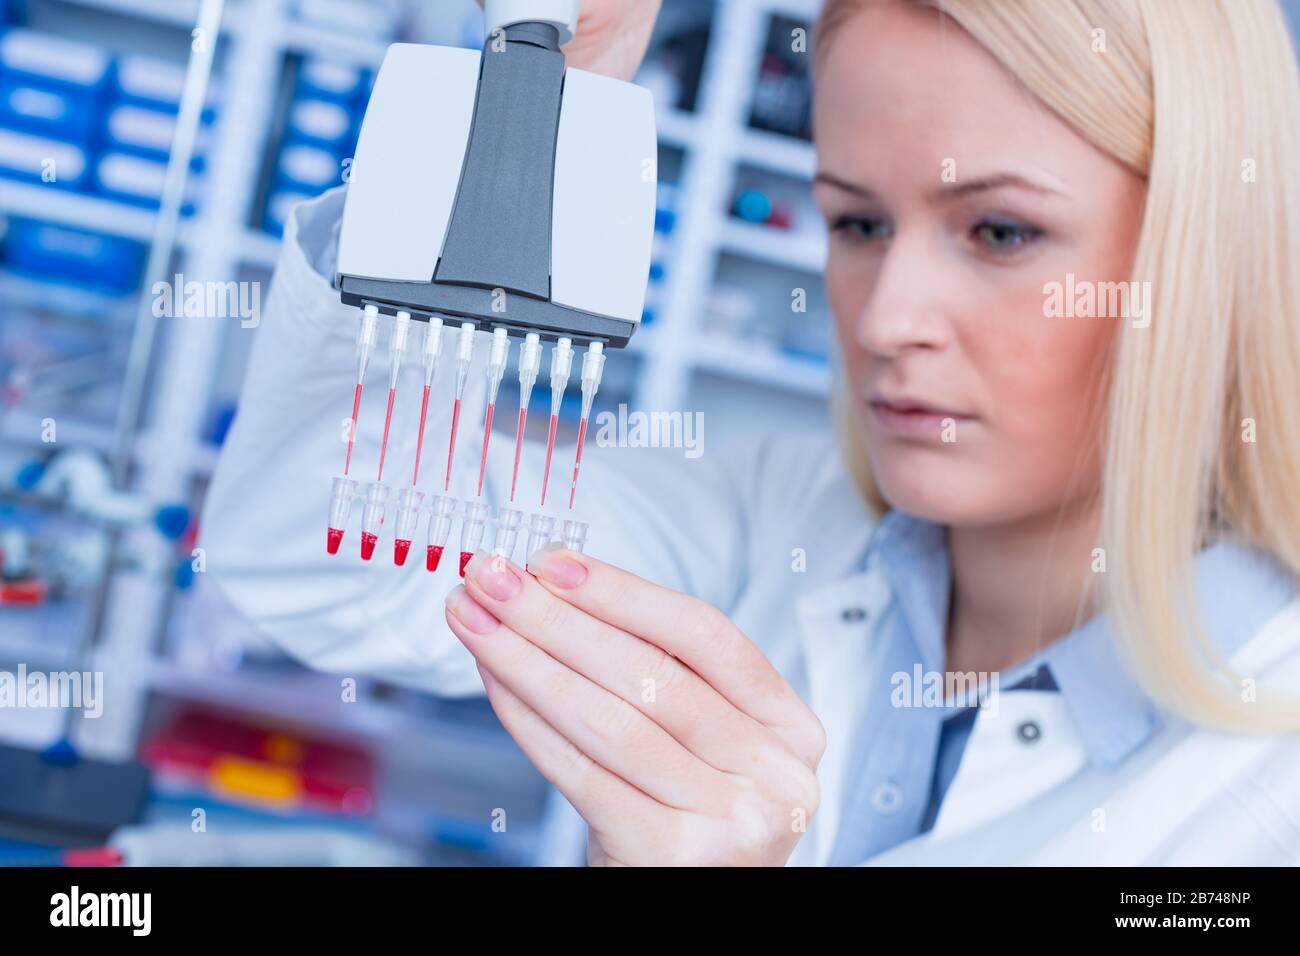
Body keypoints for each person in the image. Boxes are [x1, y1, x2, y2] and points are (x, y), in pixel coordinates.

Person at [202, 0, 1300, 866]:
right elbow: (317, 558)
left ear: (1201, 256)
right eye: (857, 222)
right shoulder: (762, 520)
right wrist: (517, 125)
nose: (883, 318)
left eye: (999, 230)